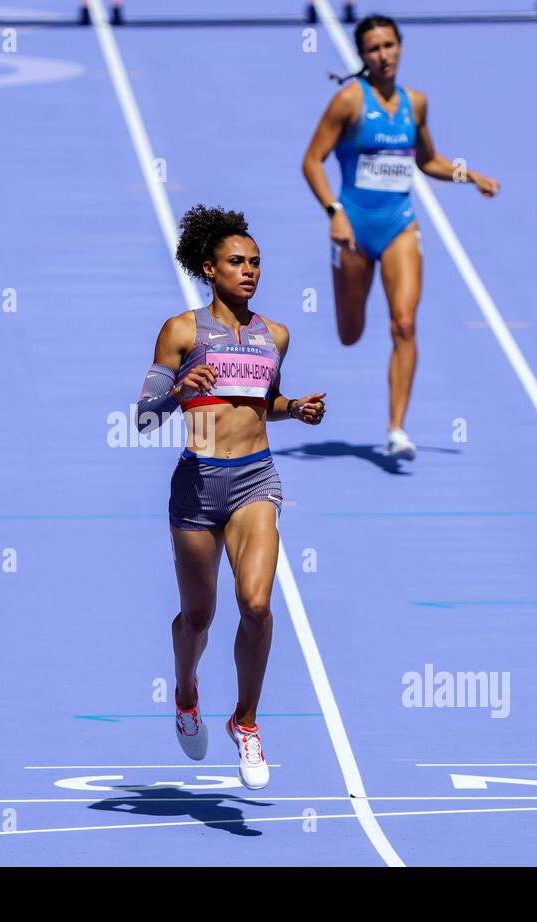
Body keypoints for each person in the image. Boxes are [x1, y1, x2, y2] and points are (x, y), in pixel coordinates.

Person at [134, 205, 326, 790]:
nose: (250, 271)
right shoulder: (182, 331)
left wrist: (296, 408)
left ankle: (245, 719)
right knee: (198, 618)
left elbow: (258, 402)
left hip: (254, 482)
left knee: (258, 604)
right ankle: (186, 690)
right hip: (196, 486)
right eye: (237, 262)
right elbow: (142, 417)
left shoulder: (276, 335)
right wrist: (176, 390)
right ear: (208, 269)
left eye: (256, 263)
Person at [303, 14, 499, 461]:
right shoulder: (349, 102)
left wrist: (472, 176)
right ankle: (348, 292)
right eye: (373, 48)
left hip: (399, 225)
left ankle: (396, 428)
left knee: (405, 323)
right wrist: (334, 212)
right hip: (353, 229)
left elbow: (428, 161)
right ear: (362, 55)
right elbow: (312, 161)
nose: (383, 55)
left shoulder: (417, 103)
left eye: (389, 45)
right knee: (350, 334)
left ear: (401, 47)